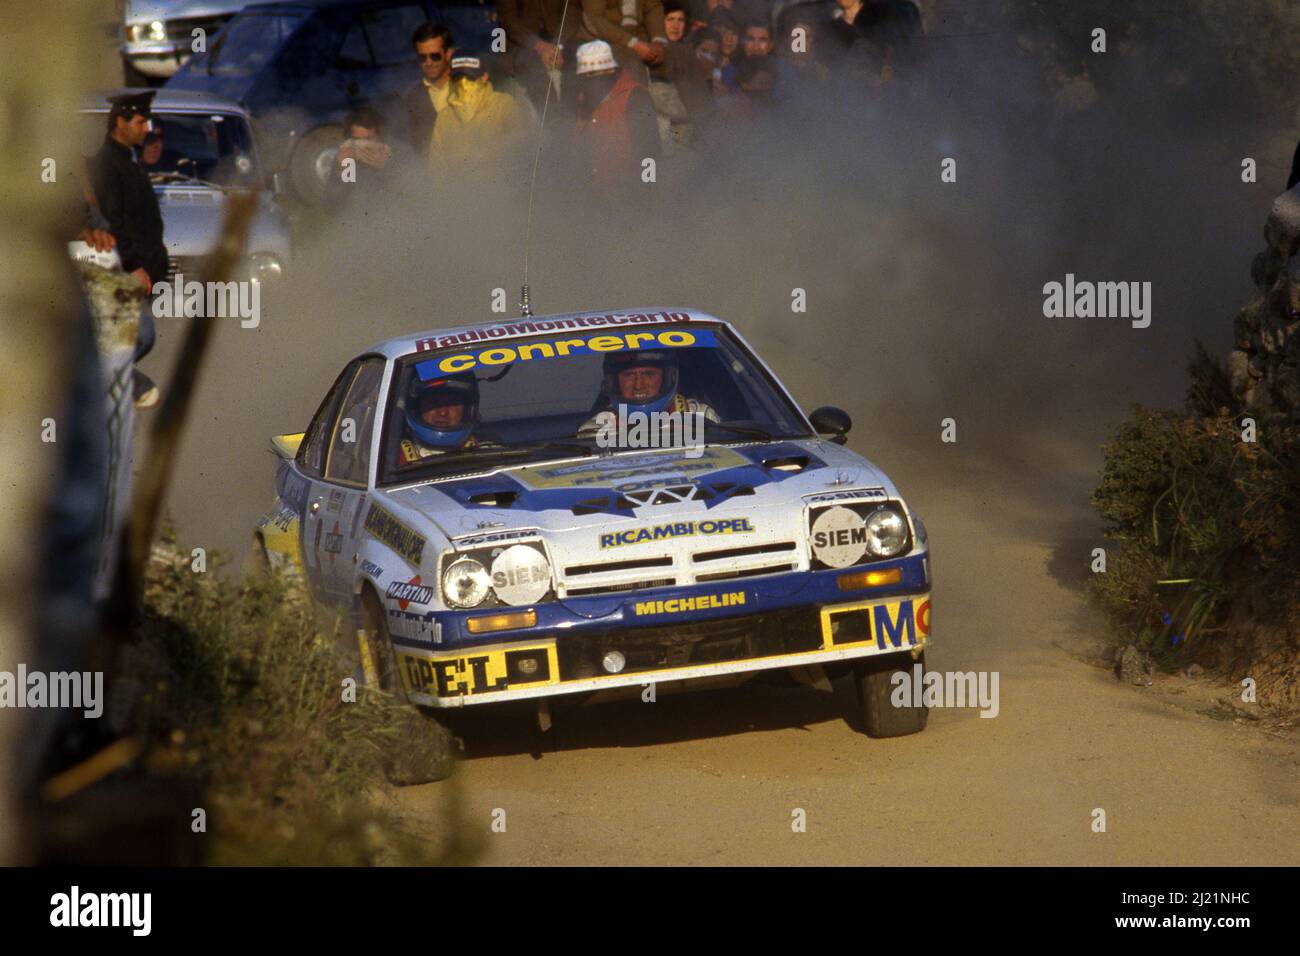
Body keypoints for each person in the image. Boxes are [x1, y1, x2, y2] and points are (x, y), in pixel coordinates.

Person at [88, 91, 166, 407]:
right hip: (125, 271)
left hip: (140, 270)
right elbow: (113, 222)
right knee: (140, 335)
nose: (146, 128)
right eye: (139, 121)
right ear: (120, 122)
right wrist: (134, 265)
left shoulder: (126, 162)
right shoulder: (108, 165)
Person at [572, 40, 662, 187]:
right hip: (590, 194)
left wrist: (648, 192)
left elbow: (649, 151)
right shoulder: (583, 97)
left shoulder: (636, 96)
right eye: (588, 75)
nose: (594, 80)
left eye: (598, 73)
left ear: (611, 70)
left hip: (626, 195)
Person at [578, 350, 719, 439]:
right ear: (613, 382)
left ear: (669, 377)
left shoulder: (702, 418)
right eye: (629, 375)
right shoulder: (595, 430)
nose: (639, 385)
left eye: (649, 374)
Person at [431, 53, 535, 172]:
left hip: (500, 185)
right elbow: (437, 168)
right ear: (451, 79)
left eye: (470, 78)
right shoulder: (444, 116)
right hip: (457, 188)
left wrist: (483, 157)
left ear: (485, 76)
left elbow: (522, 145)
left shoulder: (503, 104)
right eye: (458, 78)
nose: (463, 83)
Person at [500, 0, 580, 110]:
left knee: (579, 57)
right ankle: (553, 118)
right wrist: (540, 46)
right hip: (522, 42)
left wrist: (558, 44)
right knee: (531, 66)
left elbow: (572, 11)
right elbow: (509, 20)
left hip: (557, 37)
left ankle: (572, 116)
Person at [326, 107, 399, 216]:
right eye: (358, 140)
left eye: (369, 139)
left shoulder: (398, 152)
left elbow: (414, 196)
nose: (364, 146)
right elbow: (332, 207)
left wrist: (387, 169)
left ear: (380, 136)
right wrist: (341, 171)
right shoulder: (347, 158)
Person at [400, 373, 485, 463]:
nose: (443, 412)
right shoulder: (390, 463)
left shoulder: (490, 459)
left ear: (468, 410)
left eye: (452, 403)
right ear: (416, 408)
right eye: (434, 402)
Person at [406, 22, 455, 162]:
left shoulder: (467, 86)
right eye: (422, 57)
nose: (428, 62)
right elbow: (415, 146)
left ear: (448, 53)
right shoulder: (414, 98)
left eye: (435, 56)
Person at [578, 0, 669, 69]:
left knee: (676, 55)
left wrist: (658, 42)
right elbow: (596, 19)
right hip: (605, 39)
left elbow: (653, 8)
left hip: (640, 34)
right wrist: (634, 44)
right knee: (631, 63)